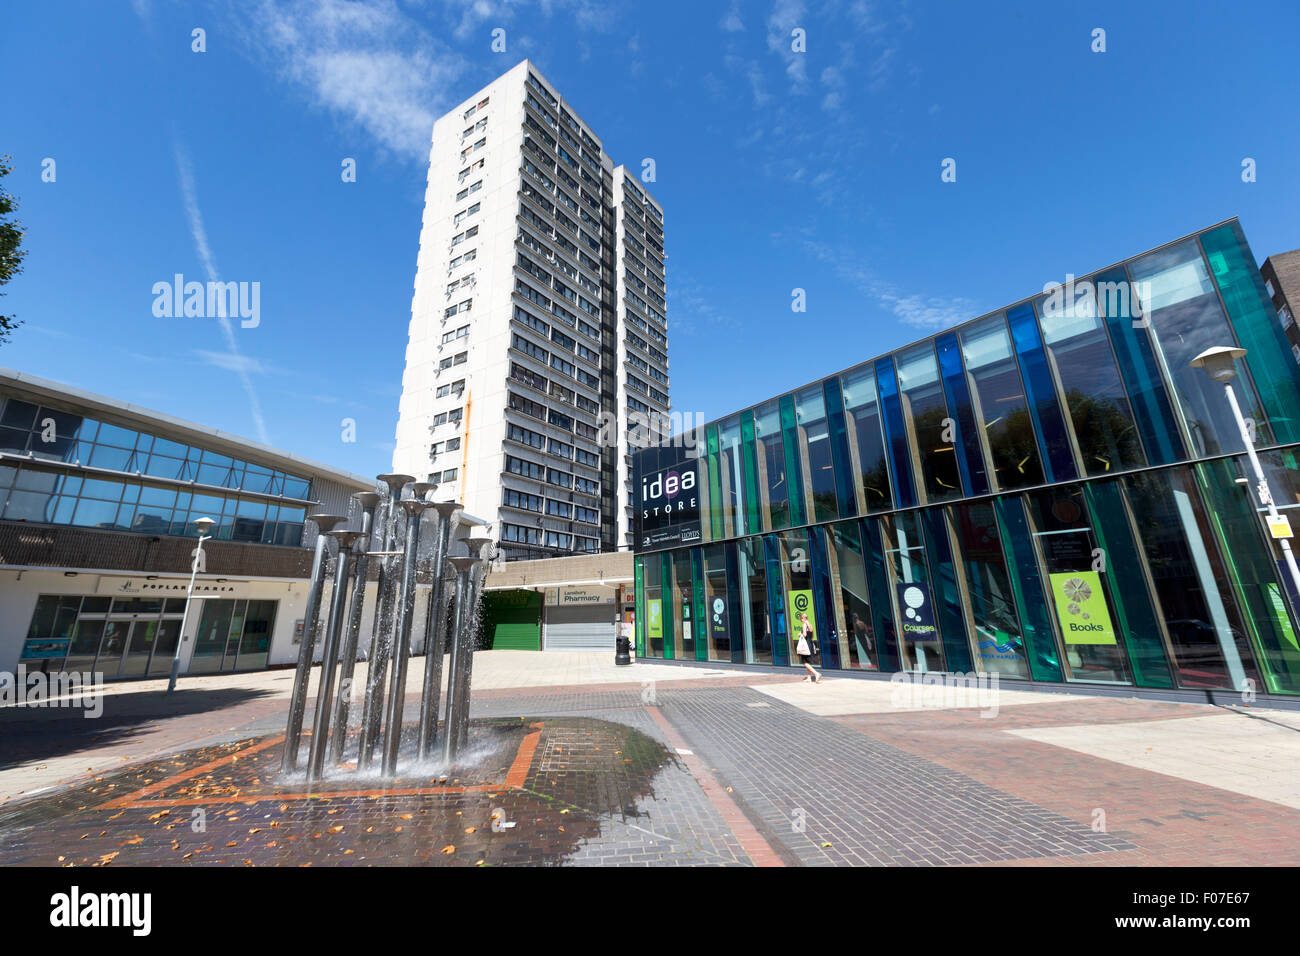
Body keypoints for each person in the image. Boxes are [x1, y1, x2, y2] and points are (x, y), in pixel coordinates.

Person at [795, 611, 822, 683]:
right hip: (810, 643)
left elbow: (804, 635)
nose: (801, 621)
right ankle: (809, 677)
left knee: (804, 662)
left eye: (801, 619)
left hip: (805, 645)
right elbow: (812, 636)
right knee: (808, 661)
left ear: (802, 619)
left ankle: (816, 673)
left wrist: (799, 634)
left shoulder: (804, 625)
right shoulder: (810, 625)